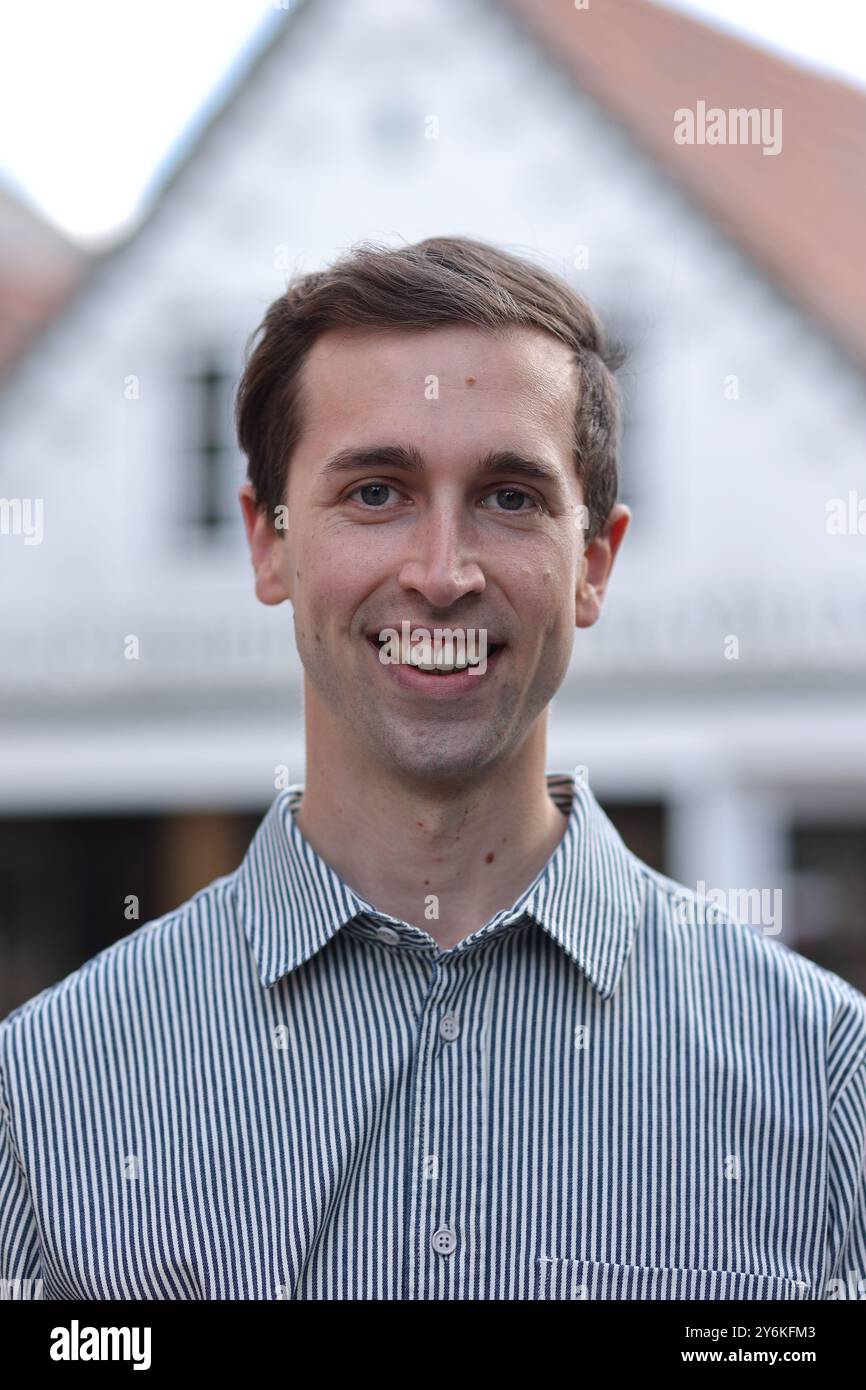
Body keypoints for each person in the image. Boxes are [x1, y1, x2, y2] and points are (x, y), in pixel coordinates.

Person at [1, 236, 864, 1301]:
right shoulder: (46, 1093)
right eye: (375, 492)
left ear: (593, 560)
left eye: (508, 498)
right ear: (267, 544)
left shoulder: (821, 1082)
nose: (442, 574)